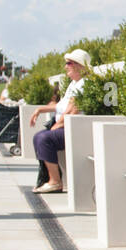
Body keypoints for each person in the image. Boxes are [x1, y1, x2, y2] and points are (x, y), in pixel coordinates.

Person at [28, 49, 90, 194]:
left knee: (44, 138)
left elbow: (73, 110)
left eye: (69, 63)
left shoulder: (84, 84)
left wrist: (57, 125)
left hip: (74, 129)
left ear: (79, 66)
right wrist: (39, 110)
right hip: (66, 126)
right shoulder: (74, 84)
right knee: (39, 137)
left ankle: (55, 181)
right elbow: (61, 106)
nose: (65, 66)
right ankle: (49, 178)